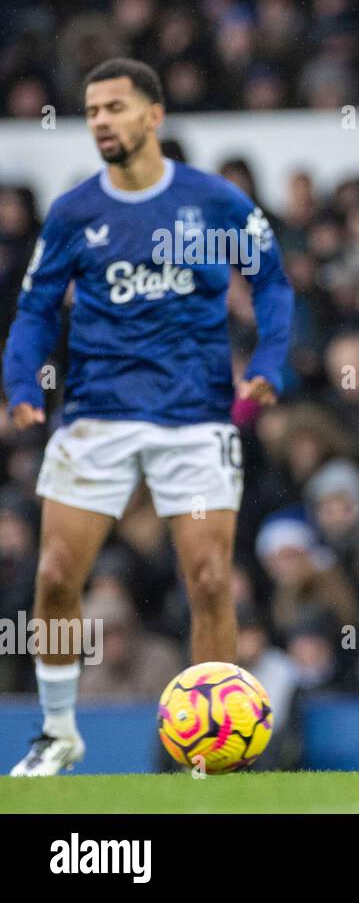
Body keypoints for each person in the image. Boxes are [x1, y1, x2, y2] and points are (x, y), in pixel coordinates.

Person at [3, 58, 293, 776]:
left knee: (211, 578)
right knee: (55, 576)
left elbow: (273, 285)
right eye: (91, 109)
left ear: (153, 115)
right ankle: (60, 730)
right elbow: (36, 305)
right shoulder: (75, 212)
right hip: (97, 415)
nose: (100, 119)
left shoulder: (214, 203)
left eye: (113, 107)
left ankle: (214, 751)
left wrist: (269, 363)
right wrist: (20, 382)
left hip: (194, 419)